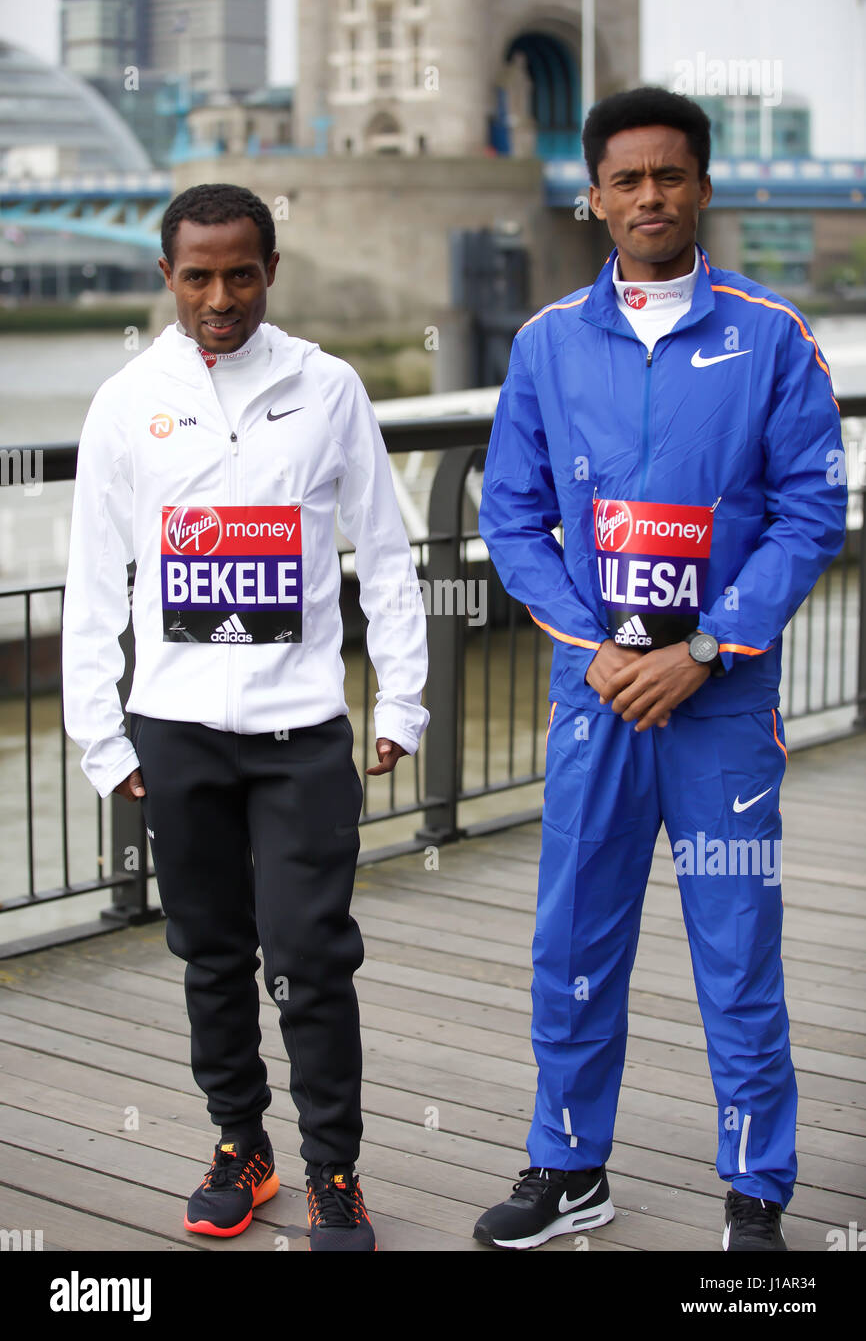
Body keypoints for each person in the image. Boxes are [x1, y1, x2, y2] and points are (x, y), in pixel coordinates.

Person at [475, 87, 847, 1252]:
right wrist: (593, 652)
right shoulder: (544, 343)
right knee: (573, 940)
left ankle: (755, 1189)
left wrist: (702, 648)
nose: (648, 196)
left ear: (701, 187)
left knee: (736, 944)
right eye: (625, 179)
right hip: (594, 702)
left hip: (718, 706)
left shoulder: (771, 336)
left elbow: (808, 513)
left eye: (669, 175)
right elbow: (511, 516)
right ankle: (567, 1165)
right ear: (592, 197)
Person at [62, 183, 429, 1252]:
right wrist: (103, 735)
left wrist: (399, 694)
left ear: (271, 268)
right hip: (172, 734)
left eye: (240, 272)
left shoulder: (328, 388)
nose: (219, 296)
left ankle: (334, 1173)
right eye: (196, 275)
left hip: (300, 732)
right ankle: (240, 1143)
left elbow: (385, 554)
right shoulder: (127, 399)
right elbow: (95, 582)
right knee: (209, 952)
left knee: (312, 955)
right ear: (167, 276)